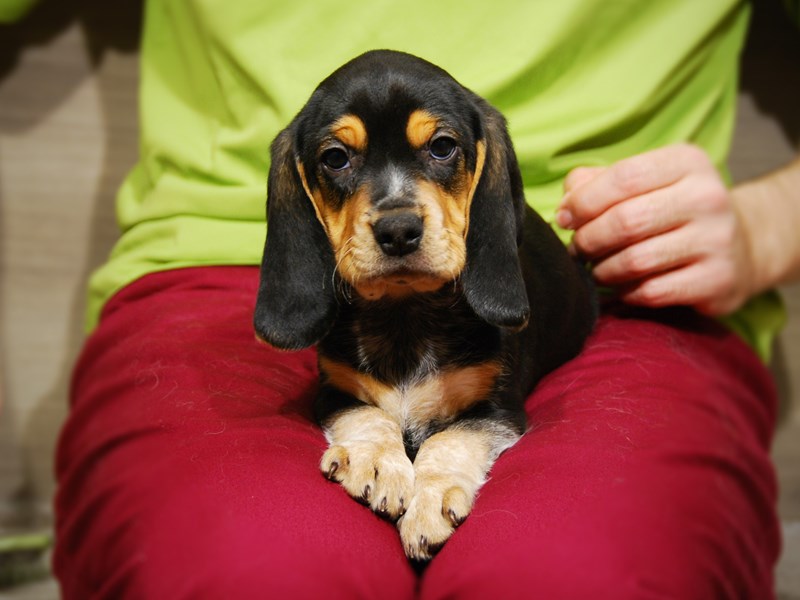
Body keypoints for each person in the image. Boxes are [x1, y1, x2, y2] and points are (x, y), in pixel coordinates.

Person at [6, 0, 797, 597]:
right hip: (228, 280)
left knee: (574, 575)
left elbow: (496, 401)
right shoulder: (306, 224)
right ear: (307, 184)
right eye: (340, 162)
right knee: (251, 572)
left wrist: (765, 228)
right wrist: (364, 426)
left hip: (617, 273)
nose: (396, 213)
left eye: (441, 150)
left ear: (477, 158)